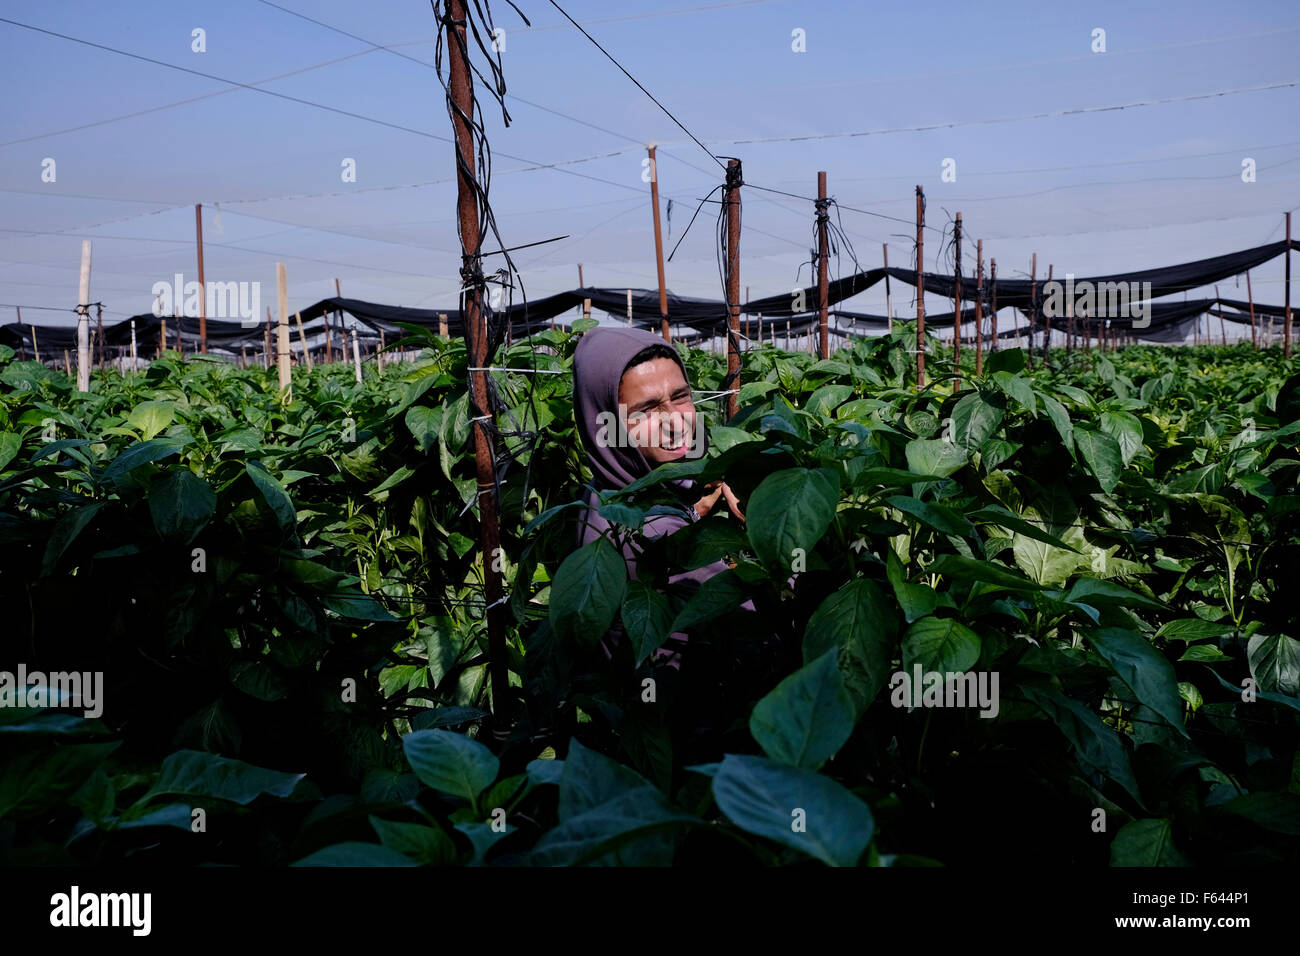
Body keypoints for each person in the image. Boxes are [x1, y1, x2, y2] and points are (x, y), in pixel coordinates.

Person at [572, 327, 747, 670]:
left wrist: (692, 514)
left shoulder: (604, 491)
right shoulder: (646, 531)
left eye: (680, 396)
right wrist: (765, 529)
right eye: (647, 410)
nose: (675, 422)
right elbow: (763, 613)